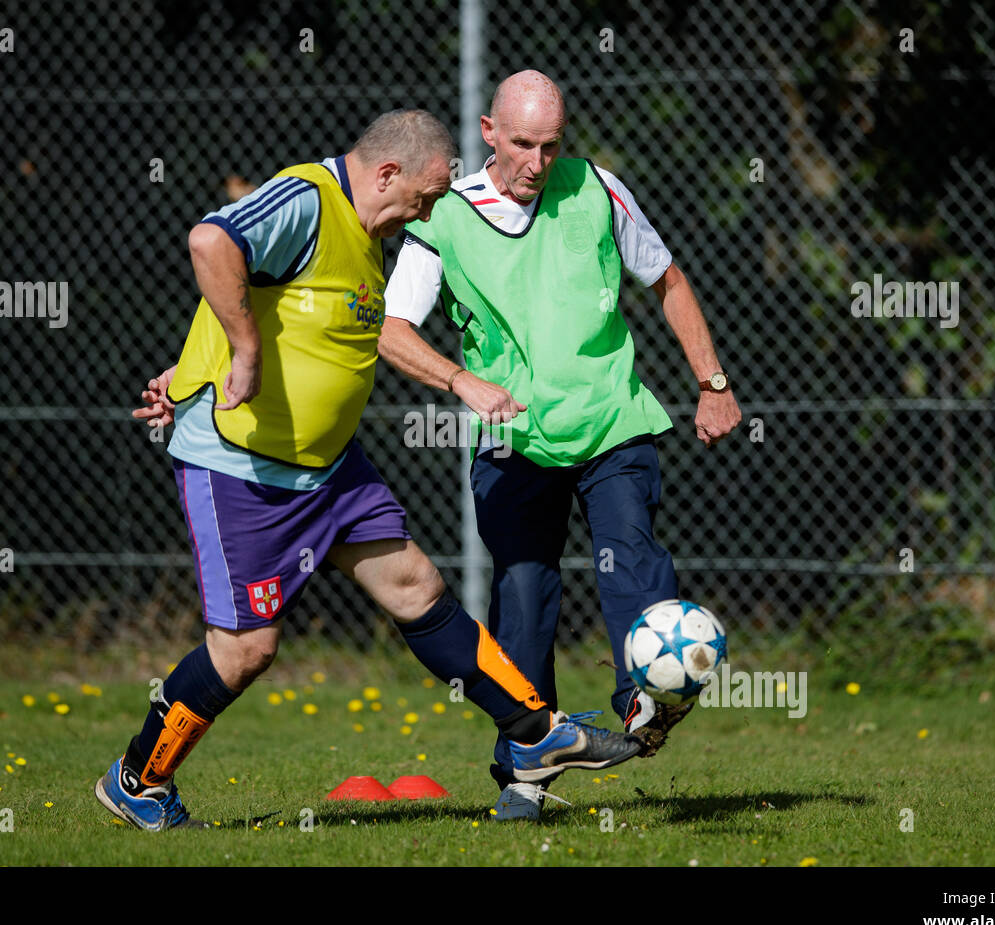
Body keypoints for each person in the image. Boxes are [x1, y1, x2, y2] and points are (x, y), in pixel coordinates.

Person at [98, 109, 642, 831]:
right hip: (240, 464)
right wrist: (241, 353)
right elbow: (212, 243)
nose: (425, 214)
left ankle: (536, 734)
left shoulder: (366, 235)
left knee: (417, 584)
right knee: (247, 649)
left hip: (329, 469)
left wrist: (205, 360)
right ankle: (138, 780)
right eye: (423, 199)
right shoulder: (307, 199)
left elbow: (293, 312)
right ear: (387, 173)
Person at [376, 72, 743, 820]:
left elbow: (667, 278)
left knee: (631, 554)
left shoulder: (598, 189)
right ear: (487, 132)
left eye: (550, 146)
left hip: (612, 420)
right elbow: (391, 330)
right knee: (523, 594)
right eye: (520, 144)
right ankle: (526, 763)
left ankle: (648, 697)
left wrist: (712, 380)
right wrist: (460, 383)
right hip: (514, 437)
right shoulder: (442, 214)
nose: (537, 163)